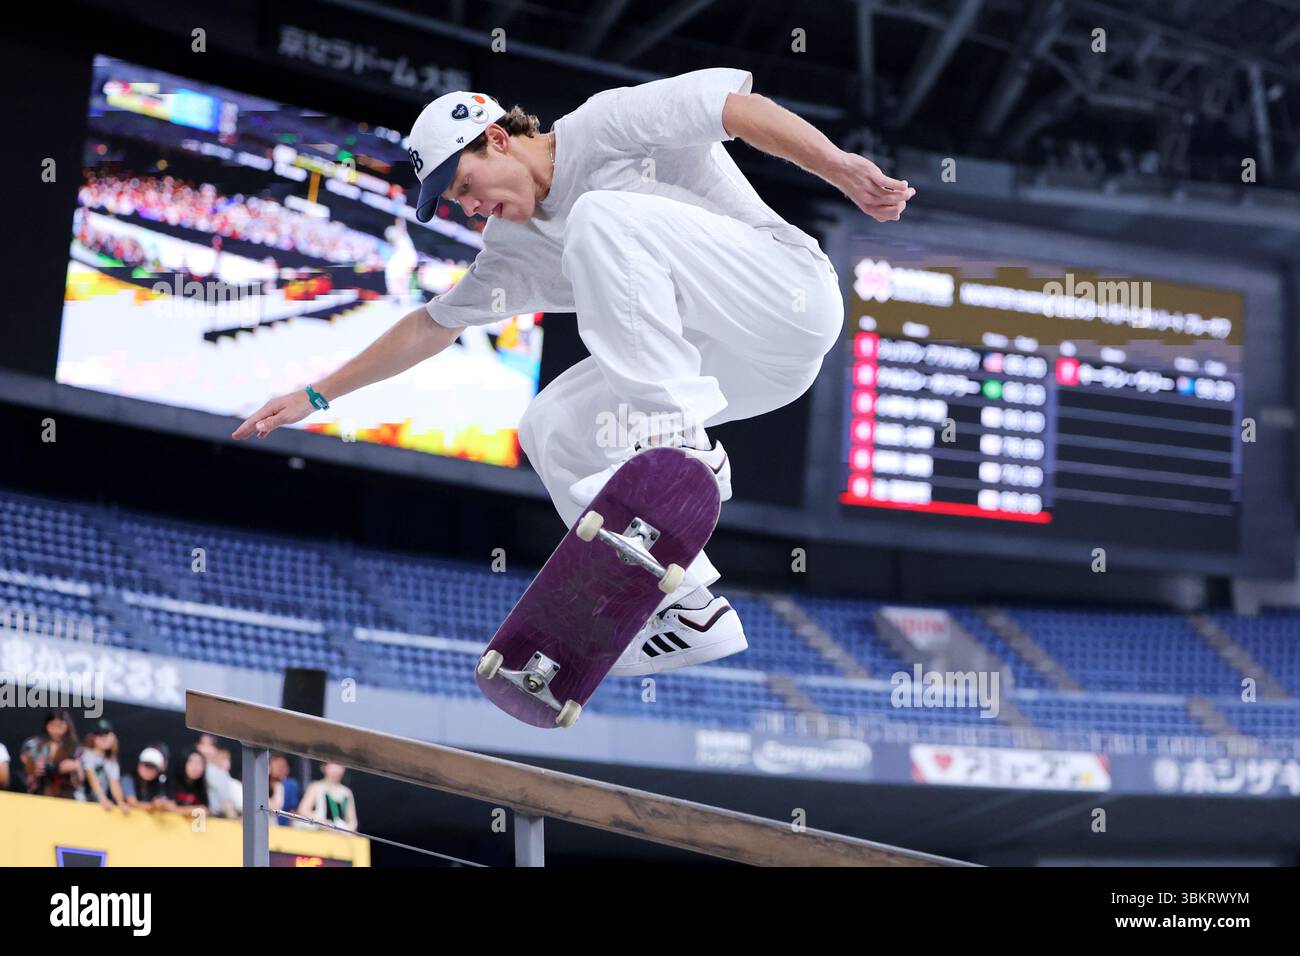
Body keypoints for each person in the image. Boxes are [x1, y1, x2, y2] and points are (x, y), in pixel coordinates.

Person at [232, 70, 914, 674]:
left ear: (498, 138)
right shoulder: (510, 249)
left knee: (599, 214)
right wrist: (317, 393)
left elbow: (732, 107)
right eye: (455, 203)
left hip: (787, 297)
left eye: (465, 186)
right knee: (550, 426)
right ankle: (690, 608)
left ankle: (680, 444)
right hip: (742, 369)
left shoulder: (605, 124)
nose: (468, 210)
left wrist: (839, 166)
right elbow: (432, 324)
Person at [20, 710, 84, 799]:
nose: (56, 729)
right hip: (41, 795)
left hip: (66, 797)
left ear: (67, 726)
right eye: (52, 725)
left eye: (60, 725)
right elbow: (27, 781)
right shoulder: (36, 746)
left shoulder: (75, 748)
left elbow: (81, 782)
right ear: (46, 726)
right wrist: (35, 772)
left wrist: (76, 767)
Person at [79, 718, 129, 812]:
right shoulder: (86, 753)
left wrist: (120, 802)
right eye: (100, 735)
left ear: (113, 737)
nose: (104, 738)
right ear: (93, 737)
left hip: (98, 805)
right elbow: (91, 777)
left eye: (107, 734)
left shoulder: (111, 761)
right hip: (80, 801)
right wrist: (102, 798)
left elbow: (114, 783)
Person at [296, 762, 357, 831]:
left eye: (341, 766)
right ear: (323, 767)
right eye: (333, 764)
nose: (336, 769)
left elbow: (353, 821)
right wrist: (321, 821)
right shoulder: (316, 786)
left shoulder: (347, 792)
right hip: (319, 832)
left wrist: (347, 830)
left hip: (340, 836)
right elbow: (303, 810)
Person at [121, 747, 174, 812]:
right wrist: (153, 805)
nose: (148, 770)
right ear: (139, 764)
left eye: (153, 767)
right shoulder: (127, 779)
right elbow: (132, 803)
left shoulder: (160, 784)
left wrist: (165, 805)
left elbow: (170, 805)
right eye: (146, 765)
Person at [171, 748, 210, 817]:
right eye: (191, 762)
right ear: (184, 763)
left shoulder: (202, 787)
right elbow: (168, 808)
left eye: (199, 763)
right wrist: (192, 810)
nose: (195, 767)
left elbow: (205, 810)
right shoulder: (172, 782)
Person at [268, 753, 301, 827]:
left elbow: (293, 809)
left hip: (283, 823)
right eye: (276, 765)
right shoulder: (263, 781)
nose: (279, 769)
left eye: (282, 766)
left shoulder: (291, 784)